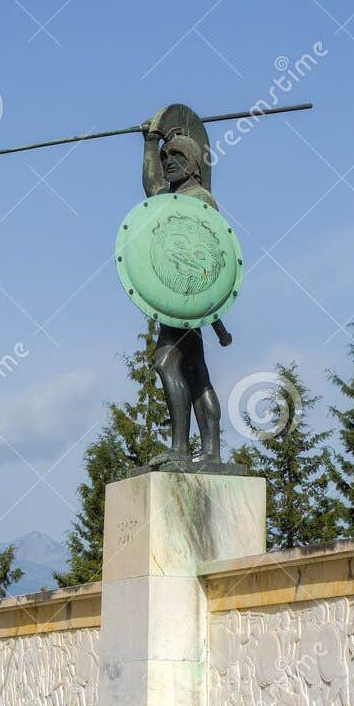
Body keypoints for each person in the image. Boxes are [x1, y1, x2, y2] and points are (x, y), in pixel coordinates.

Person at [140, 111, 225, 469]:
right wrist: (150, 143)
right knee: (195, 370)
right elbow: (152, 187)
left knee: (167, 361)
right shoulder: (172, 197)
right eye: (165, 159)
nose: (169, 164)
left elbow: (212, 256)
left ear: (193, 164)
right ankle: (210, 452)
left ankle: (181, 449)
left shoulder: (200, 198)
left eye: (177, 158)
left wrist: (213, 314)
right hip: (179, 303)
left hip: (189, 301)